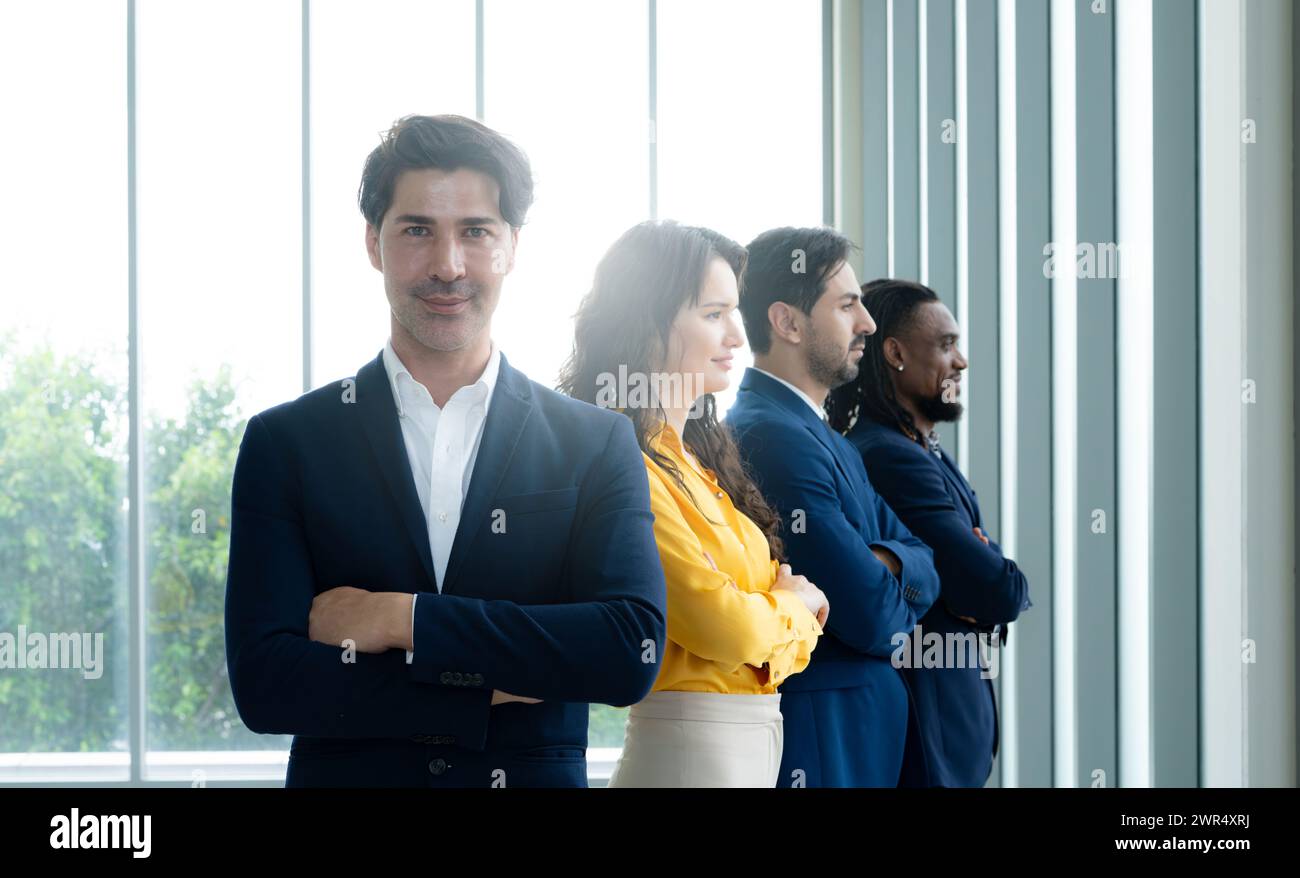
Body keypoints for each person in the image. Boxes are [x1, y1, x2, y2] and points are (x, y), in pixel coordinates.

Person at [224, 114, 667, 788]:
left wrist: (400, 618)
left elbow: (625, 651)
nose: (448, 266)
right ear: (374, 243)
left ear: (512, 246)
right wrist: (488, 684)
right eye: (417, 230)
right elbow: (267, 685)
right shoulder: (287, 443)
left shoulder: (594, 442)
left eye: (476, 232)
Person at [559, 220, 826, 787]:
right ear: (647, 325)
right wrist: (795, 607)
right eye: (713, 314)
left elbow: (754, 644)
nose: (737, 335)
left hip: (745, 748)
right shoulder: (626, 465)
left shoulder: (698, 464)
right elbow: (722, 627)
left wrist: (773, 621)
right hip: (685, 759)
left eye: (735, 311)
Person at [726, 226, 940, 787]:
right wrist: (892, 565)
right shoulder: (772, 436)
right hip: (824, 744)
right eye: (847, 306)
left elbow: (927, 559)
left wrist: (888, 559)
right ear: (787, 322)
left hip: (852, 735)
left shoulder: (819, 435)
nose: (867, 323)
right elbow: (871, 617)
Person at [826, 278, 1031, 787]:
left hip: (946, 723)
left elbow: (980, 575)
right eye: (945, 345)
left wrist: (980, 569)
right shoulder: (891, 456)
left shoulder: (920, 449)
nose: (960, 361)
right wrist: (983, 573)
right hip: (927, 730)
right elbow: (997, 587)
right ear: (894, 352)